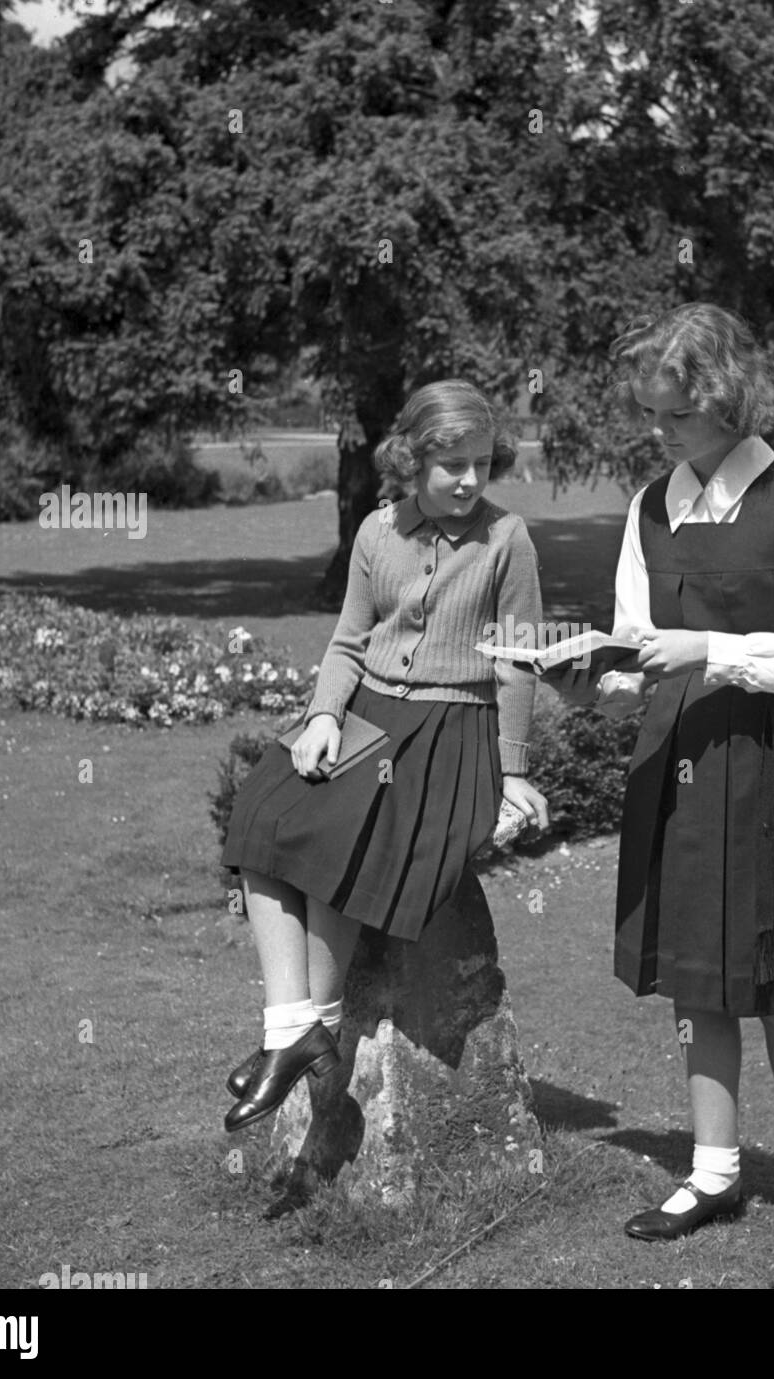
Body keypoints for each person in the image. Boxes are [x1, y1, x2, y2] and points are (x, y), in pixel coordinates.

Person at [546, 303, 774, 1246]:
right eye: (653, 413)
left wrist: (713, 650)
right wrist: (589, 684)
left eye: (675, 414)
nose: (661, 431)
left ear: (726, 402)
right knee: (696, 977)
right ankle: (714, 1169)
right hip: (678, 764)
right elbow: (641, 652)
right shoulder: (651, 506)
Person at [220, 379, 550, 1133]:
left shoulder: (508, 540)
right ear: (413, 460)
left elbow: (518, 663)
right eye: (450, 465)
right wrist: (322, 718)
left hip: (450, 728)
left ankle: (314, 1025)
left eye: (480, 463)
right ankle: (289, 1027)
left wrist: (516, 773)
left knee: (345, 831)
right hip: (367, 717)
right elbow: (346, 641)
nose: (469, 479)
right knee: (265, 813)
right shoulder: (376, 533)